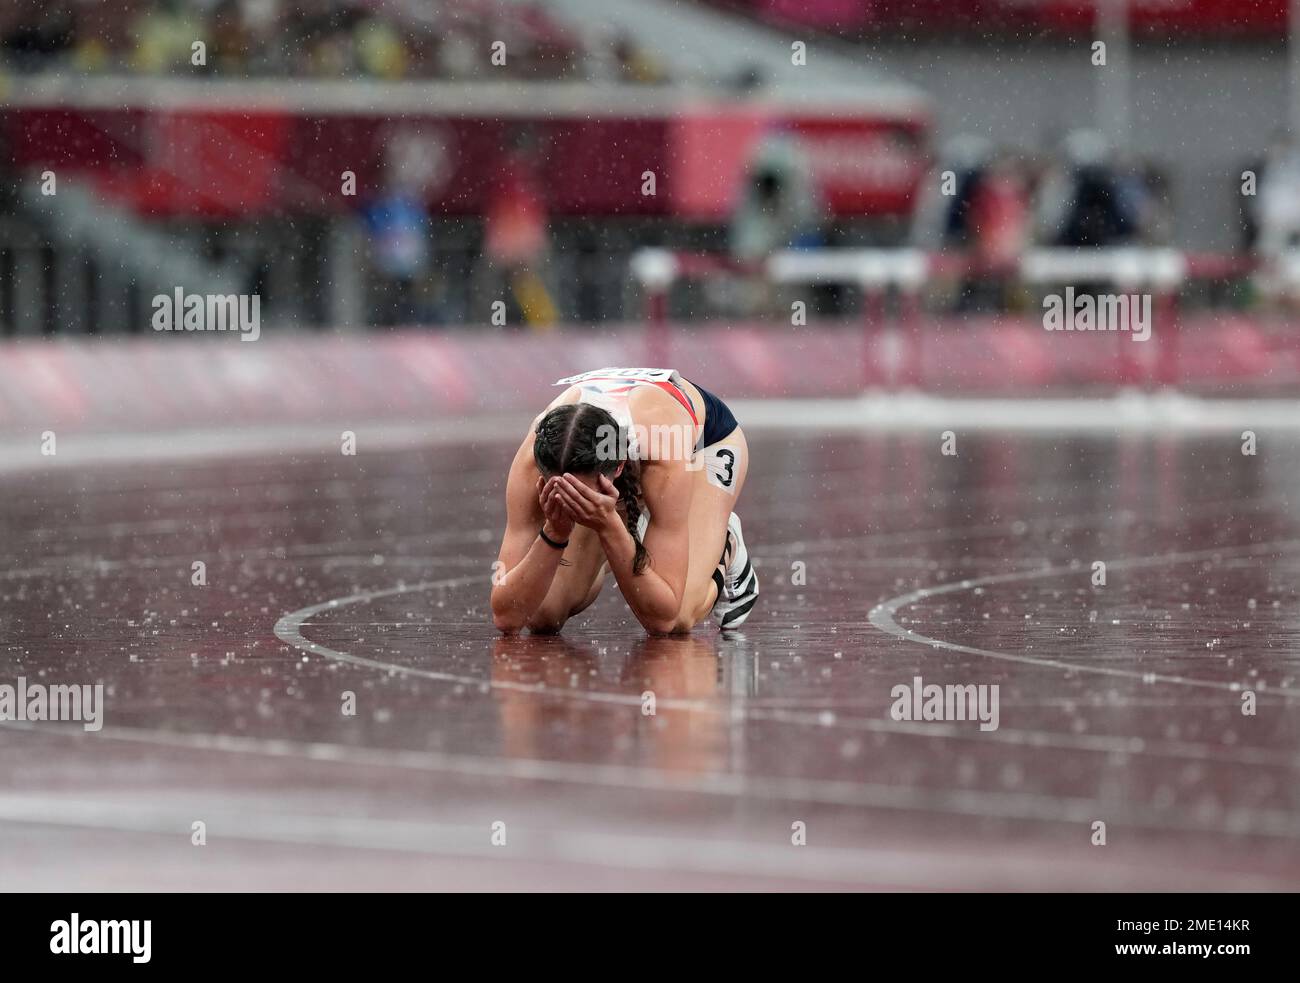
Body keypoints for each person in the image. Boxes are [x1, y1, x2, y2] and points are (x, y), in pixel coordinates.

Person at [491, 368, 758, 635]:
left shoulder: (662, 452)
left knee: (680, 617)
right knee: (544, 613)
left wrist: (608, 526)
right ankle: (628, 544)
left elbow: (662, 618)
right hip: (616, 450)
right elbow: (507, 614)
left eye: (582, 495)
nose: (572, 499)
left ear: (618, 468)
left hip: (704, 444)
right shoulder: (531, 461)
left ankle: (725, 543)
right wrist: (555, 533)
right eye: (561, 491)